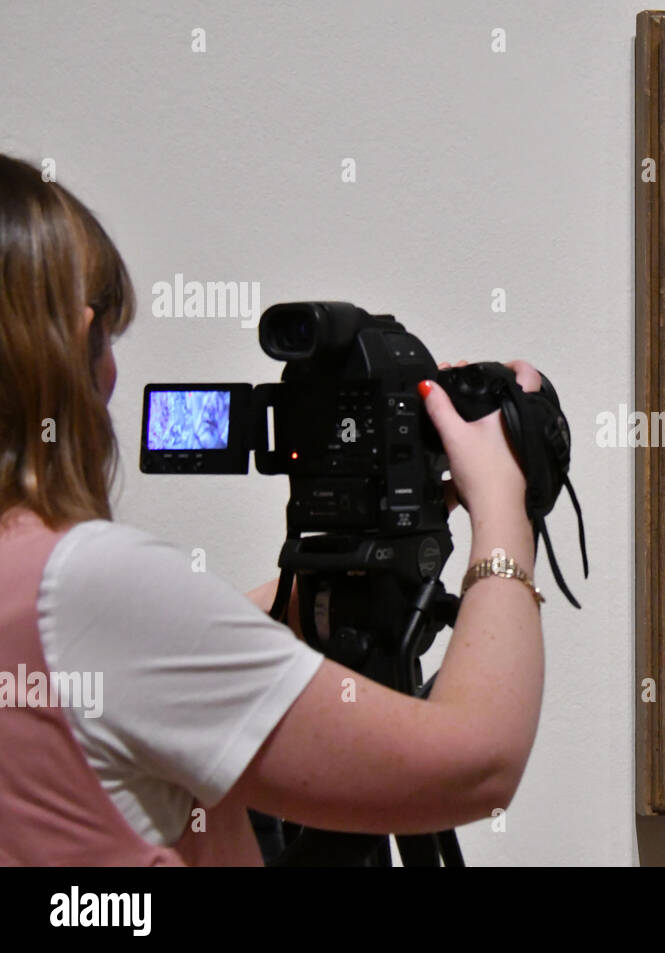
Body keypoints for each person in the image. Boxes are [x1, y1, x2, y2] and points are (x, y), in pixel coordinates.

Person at [0, 153, 546, 865]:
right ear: (79, 340)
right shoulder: (86, 591)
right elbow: (479, 763)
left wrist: (329, 582)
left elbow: (163, 660)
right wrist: (505, 508)